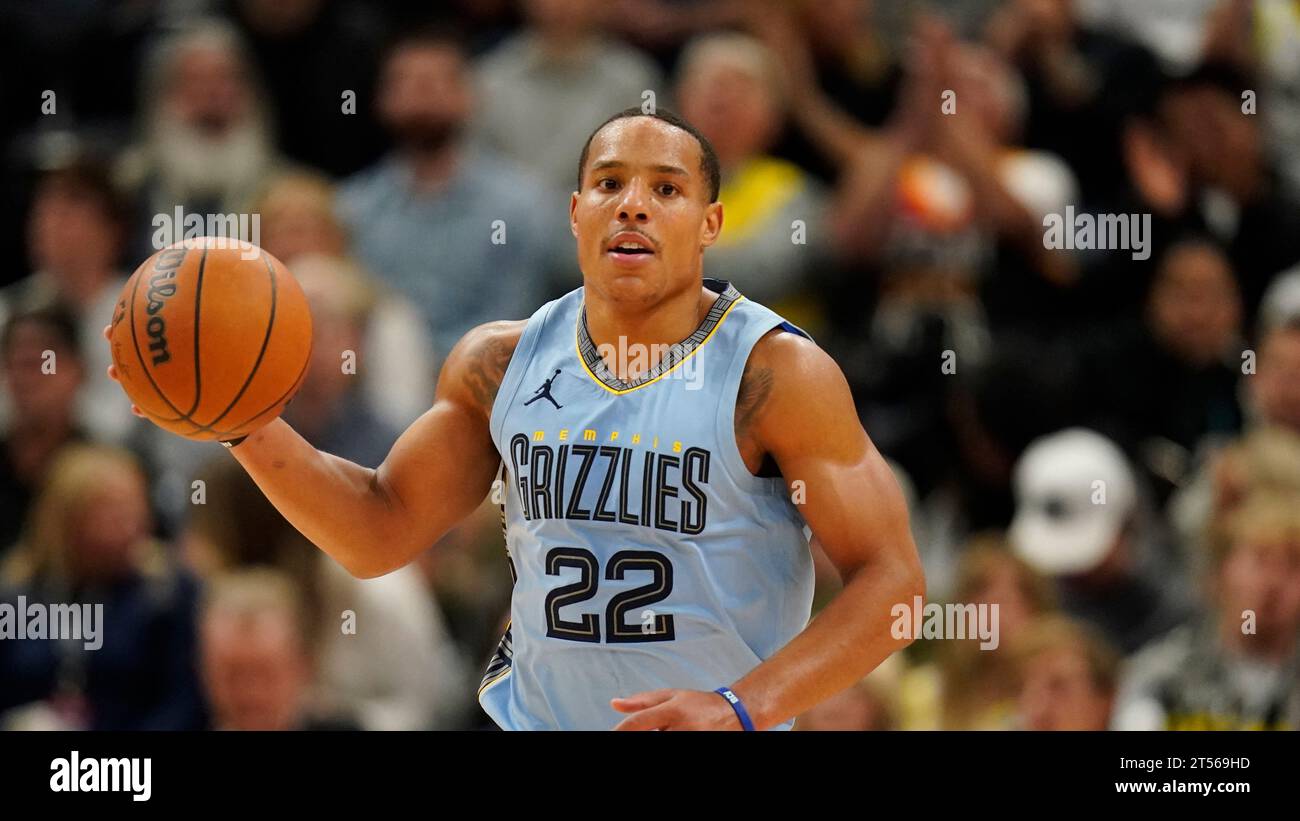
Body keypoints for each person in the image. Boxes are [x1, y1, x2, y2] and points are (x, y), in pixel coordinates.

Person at [107, 106, 924, 731]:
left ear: (710, 224)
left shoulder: (773, 373)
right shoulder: (499, 362)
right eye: (609, 183)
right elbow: (378, 529)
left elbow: (895, 585)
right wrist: (242, 424)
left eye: (666, 189)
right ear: (575, 211)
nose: (633, 205)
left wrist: (740, 705)